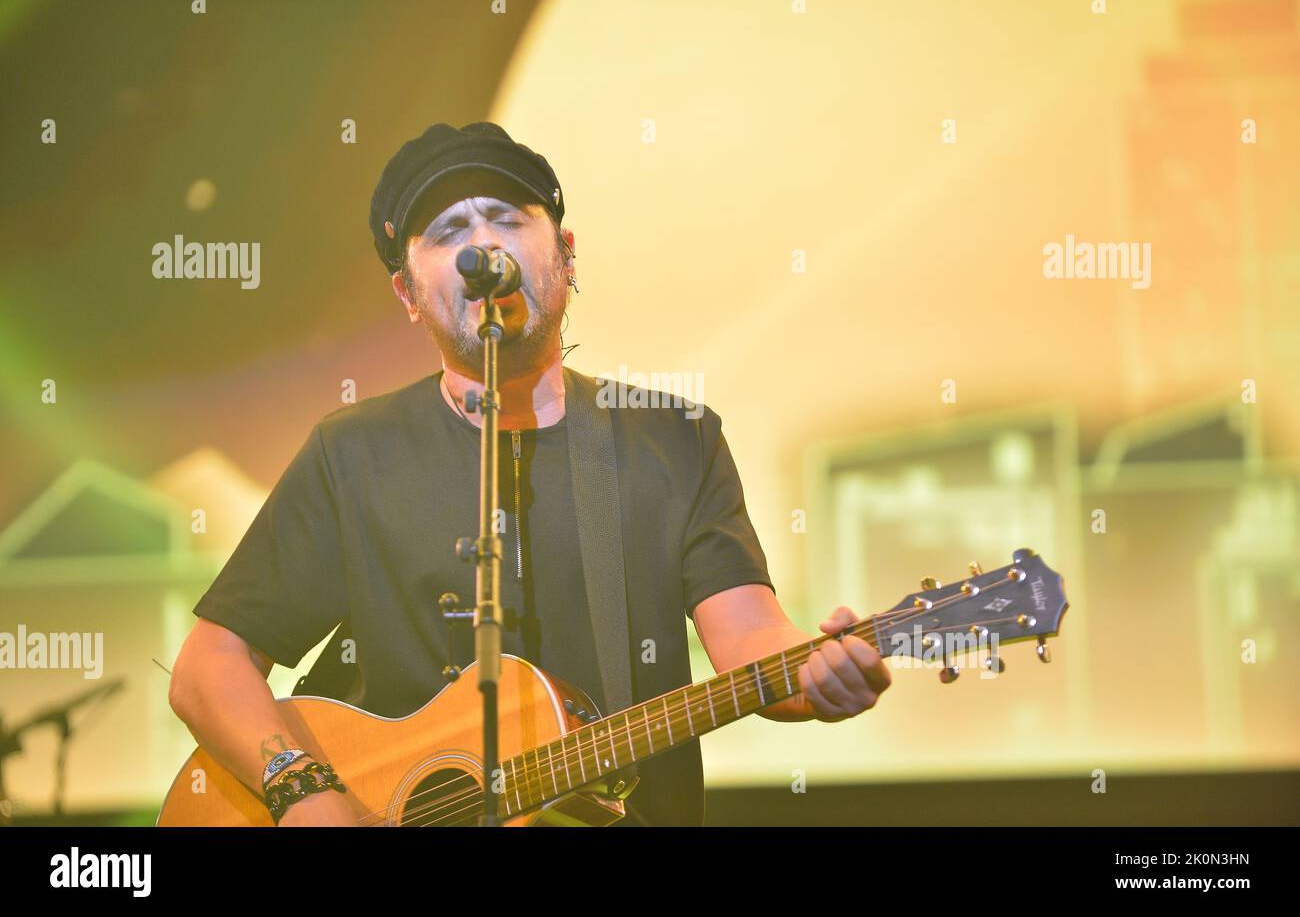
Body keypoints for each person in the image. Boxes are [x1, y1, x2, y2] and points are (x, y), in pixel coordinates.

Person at [167, 122, 892, 827]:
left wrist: (814, 670)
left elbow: (750, 636)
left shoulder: (673, 439)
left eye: (506, 218)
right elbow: (209, 664)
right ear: (407, 295)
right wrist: (300, 787)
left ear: (567, 255)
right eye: (448, 232)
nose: (482, 244)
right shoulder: (354, 452)